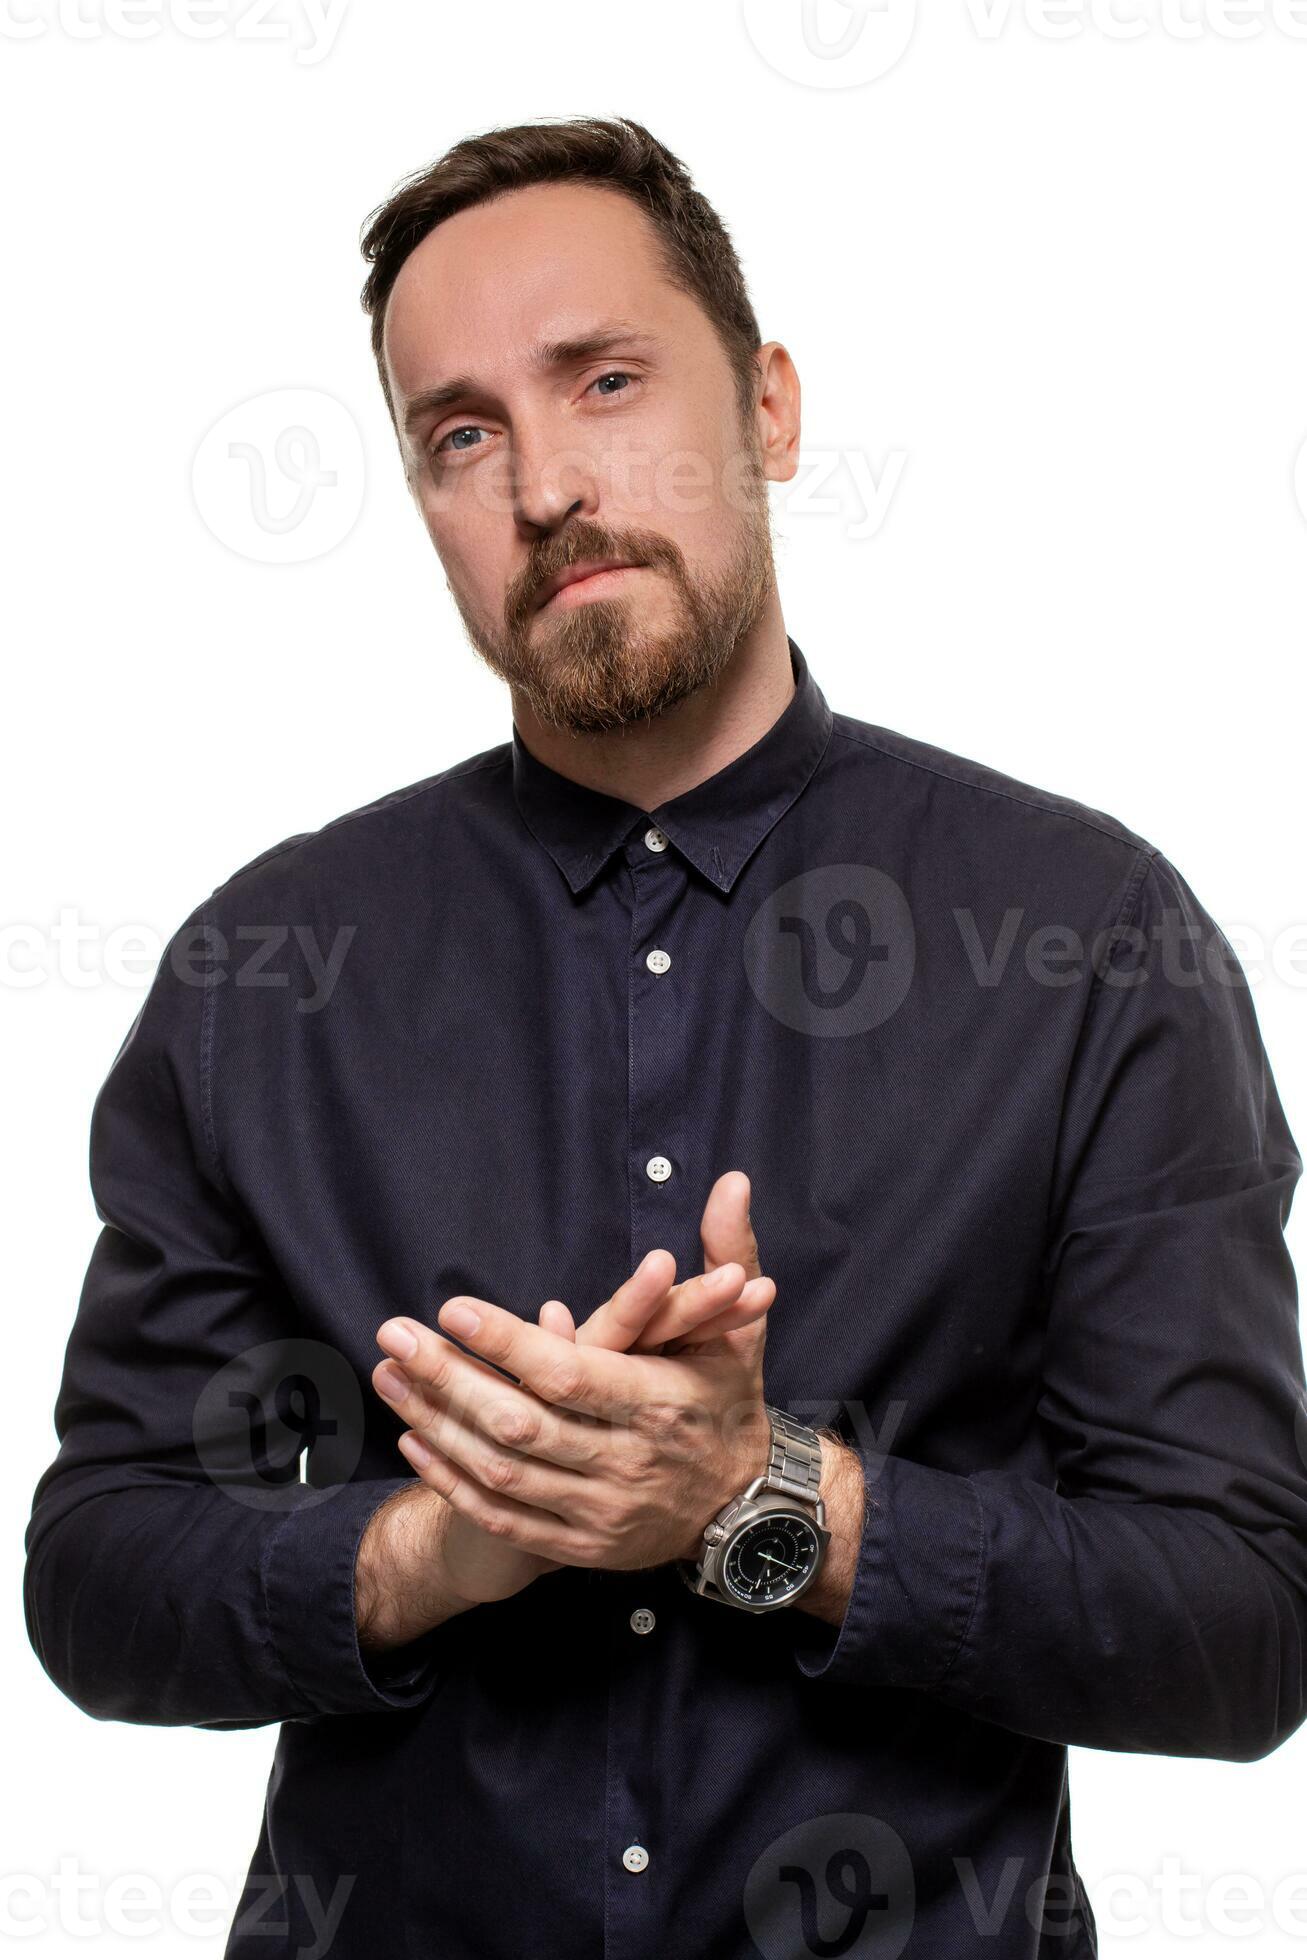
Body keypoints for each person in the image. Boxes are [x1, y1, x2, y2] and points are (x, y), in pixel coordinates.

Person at [24, 114, 1307, 1960]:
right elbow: (100, 1572)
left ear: (768, 412)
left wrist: (758, 1500)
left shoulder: (1091, 938)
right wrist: (425, 1555)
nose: (544, 483)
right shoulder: (267, 966)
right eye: (461, 434)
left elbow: (1240, 1619)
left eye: (606, 380)